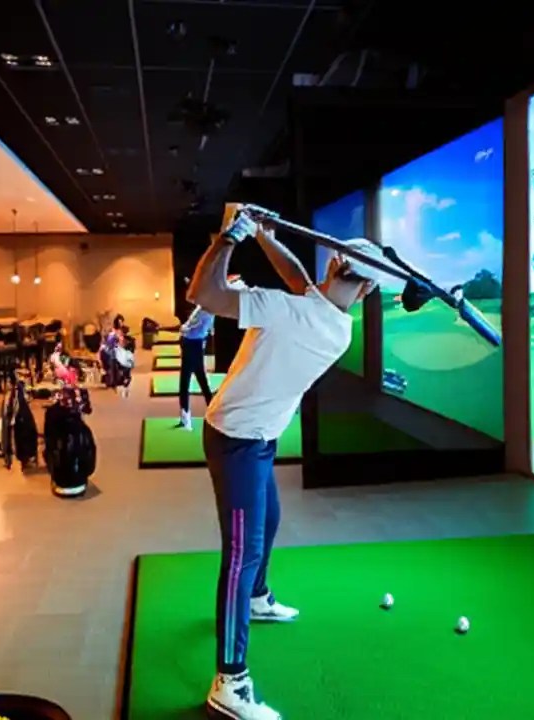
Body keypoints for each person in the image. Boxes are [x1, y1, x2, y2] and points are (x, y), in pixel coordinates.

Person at [187, 207, 383, 720]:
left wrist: (232, 237)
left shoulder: (286, 309)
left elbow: (203, 292)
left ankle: (255, 598)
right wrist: (264, 236)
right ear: (368, 290)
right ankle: (230, 682)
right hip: (237, 439)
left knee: (266, 523)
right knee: (242, 552)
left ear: (334, 263)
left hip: (253, 436)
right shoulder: (334, 325)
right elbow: (297, 280)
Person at [176, 302, 214, 430]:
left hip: (193, 346)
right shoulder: (200, 308)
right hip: (191, 344)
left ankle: (186, 418)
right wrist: (184, 327)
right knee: (200, 381)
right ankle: (186, 415)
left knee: (187, 383)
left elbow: (193, 327)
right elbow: (190, 324)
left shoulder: (207, 312)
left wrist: (183, 329)